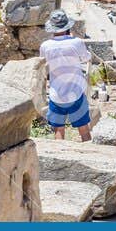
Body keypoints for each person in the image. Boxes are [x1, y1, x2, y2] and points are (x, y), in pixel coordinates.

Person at [39, 10, 92, 141]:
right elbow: (86, 58)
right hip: (76, 92)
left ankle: (60, 153)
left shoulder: (45, 46)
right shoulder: (77, 42)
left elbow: (42, 62)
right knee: (84, 128)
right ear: (68, 26)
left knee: (58, 129)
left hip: (56, 93)